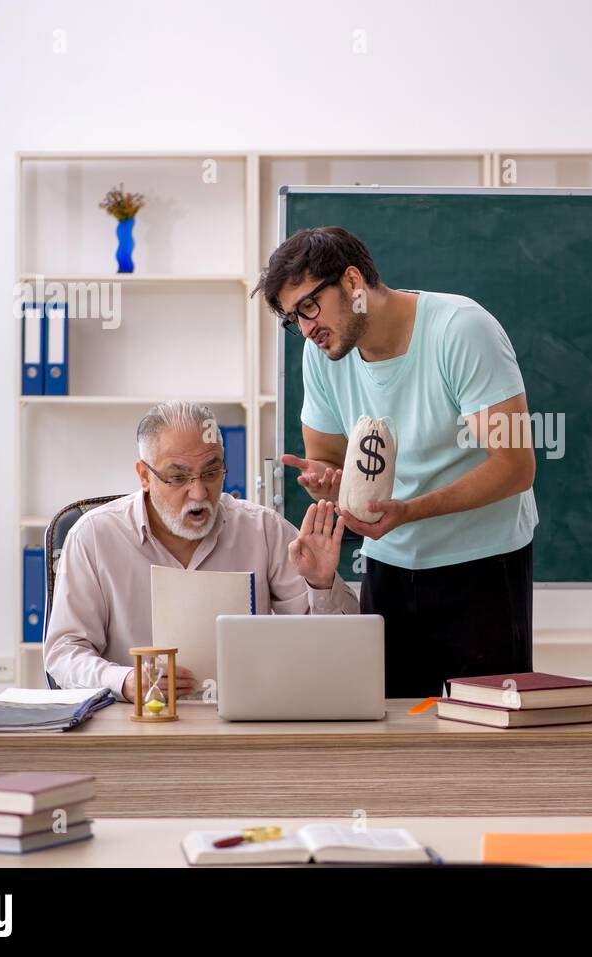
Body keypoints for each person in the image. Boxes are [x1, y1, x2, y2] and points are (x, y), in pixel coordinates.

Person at [252, 226, 538, 698]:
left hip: (484, 567)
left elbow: (515, 467)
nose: (305, 328)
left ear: (352, 282)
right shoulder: (321, 355)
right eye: (292, 318)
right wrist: (327, 480)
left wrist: (409, 511)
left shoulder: (460, 330)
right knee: (393, 728)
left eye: (308, 306)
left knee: (483, 740)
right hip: (387, 567)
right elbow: (327, 455)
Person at [43, 400, 357, 701]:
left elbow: (335, 652)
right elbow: (64, 652)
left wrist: (321, 584)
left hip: (244, 725)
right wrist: (123, 681)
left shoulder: (263, 529)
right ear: (144, 476)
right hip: (134, 724)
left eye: (211, 472)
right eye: (178, 477)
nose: (199, 493)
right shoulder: (94, 537)